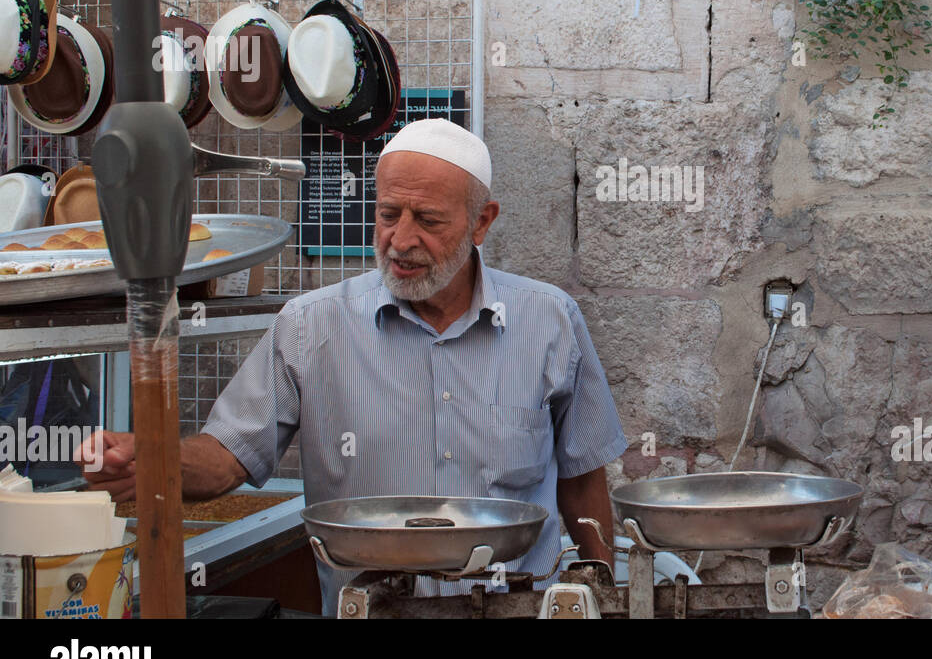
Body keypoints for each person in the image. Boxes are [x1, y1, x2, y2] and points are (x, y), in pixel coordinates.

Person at [78, 118, 626, 615]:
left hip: (518, 608)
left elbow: (582, 483)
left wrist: (604, 595)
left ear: (482, 222)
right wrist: (151, 457)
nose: (401, 241)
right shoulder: (310, 327)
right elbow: (226, 458)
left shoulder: (550, 320)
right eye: (388, 215)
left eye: (428, 220)